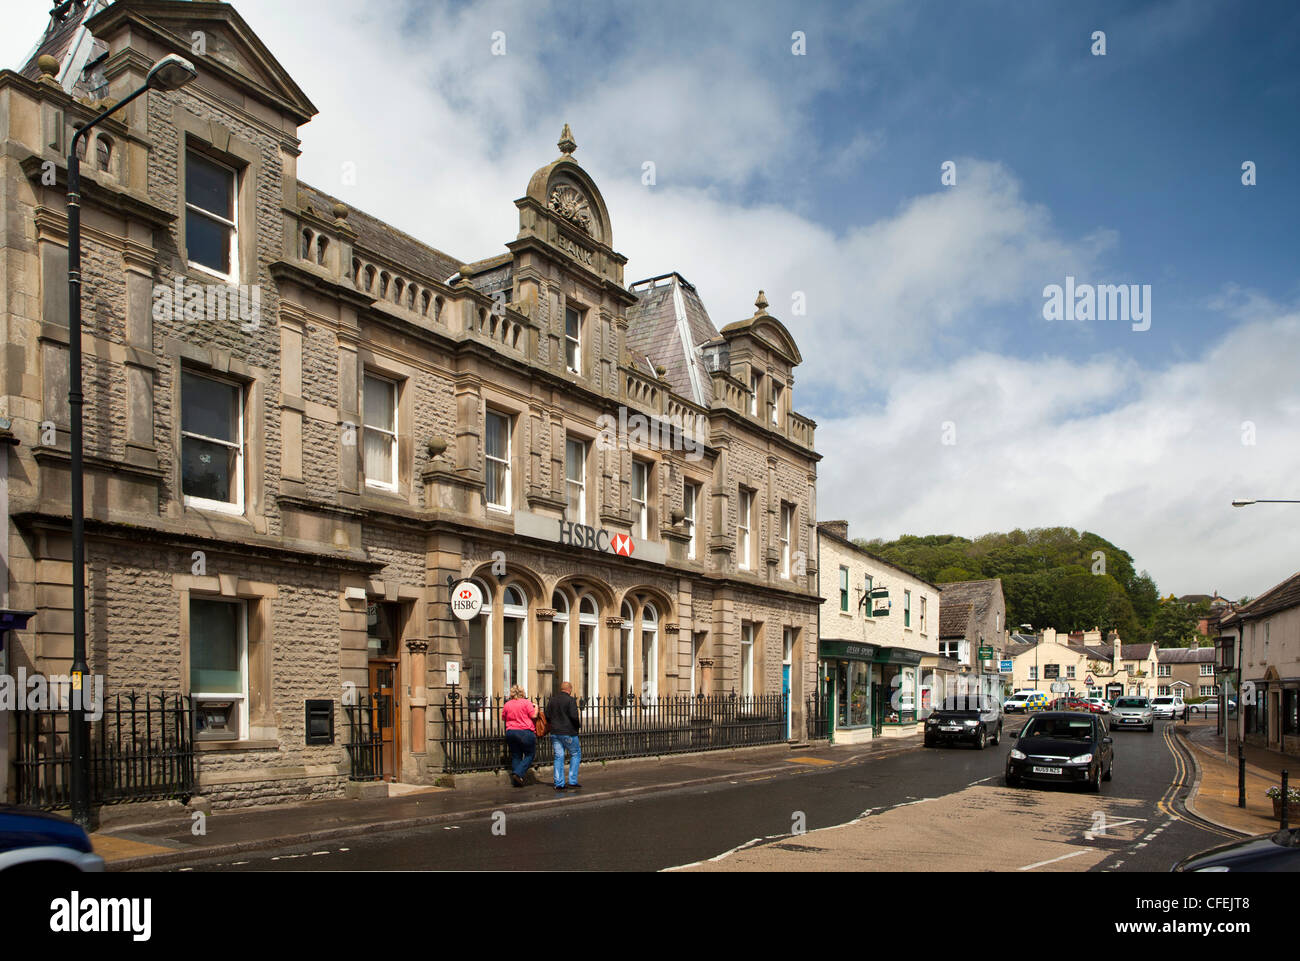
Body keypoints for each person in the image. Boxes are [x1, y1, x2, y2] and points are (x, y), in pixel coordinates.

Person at [545, 680, 581, 791]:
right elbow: (574, 716)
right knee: (575, 753)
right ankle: (572, 781)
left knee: (558, 756)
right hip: (568, 732)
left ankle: (559, 783)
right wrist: (577, 726)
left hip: (555, 733)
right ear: (569, 689)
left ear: (561, 689)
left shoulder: (552, 700)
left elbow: (547, 716)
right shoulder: (570, 700)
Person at [502, 685, 538, 787]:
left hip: (511, 731)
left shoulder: (507, 704)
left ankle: (517, 780)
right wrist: (536, 708)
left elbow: (503, 717)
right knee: (530, 754)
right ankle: (518, 773)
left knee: (516, 755)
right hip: (525, 731)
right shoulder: (526, 703)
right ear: (523, 693)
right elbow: (533, 716)